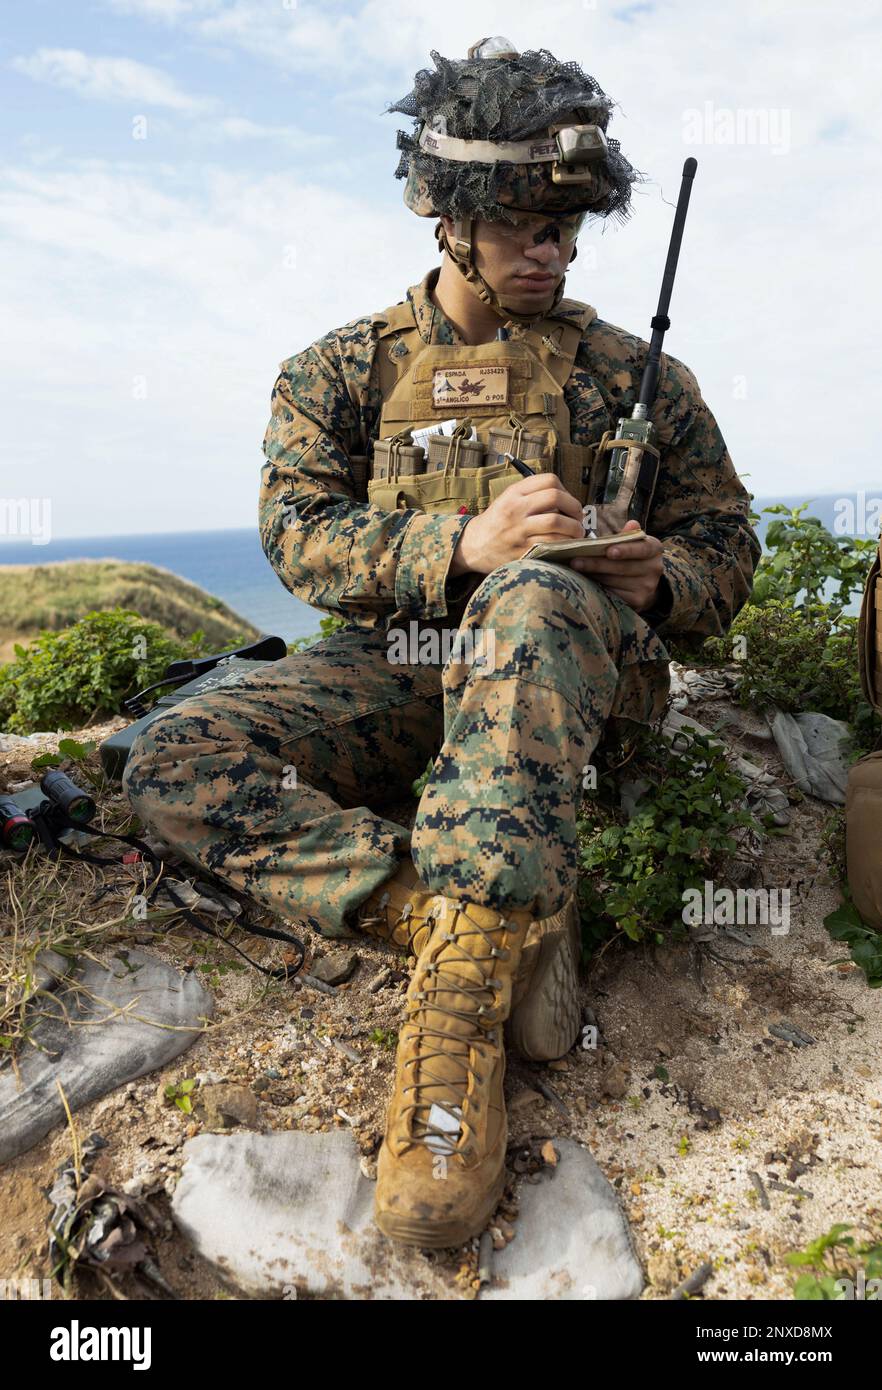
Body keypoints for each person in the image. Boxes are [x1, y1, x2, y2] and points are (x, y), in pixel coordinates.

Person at [123, 38, 760, 1250]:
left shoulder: (640, 379)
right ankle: (453, 918)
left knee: (533, 599)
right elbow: (298, 533)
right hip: (399, 663)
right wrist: (459, 544)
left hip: (575, 685)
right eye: (524, 221)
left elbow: (728, 545)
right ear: (446, 215)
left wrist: (657, 574)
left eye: (569, 229)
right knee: (170, 759)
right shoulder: (344, 370)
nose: (551, 251)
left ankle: (453, 1038)